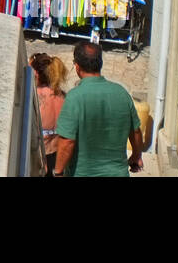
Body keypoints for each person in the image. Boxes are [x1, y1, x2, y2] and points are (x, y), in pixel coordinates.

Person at [53, 41, 144, 177]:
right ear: (100, 64)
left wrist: (58, 172)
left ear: (77, 66)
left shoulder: (74, 98)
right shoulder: (122, 93)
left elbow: (67, 141)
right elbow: (135, 131)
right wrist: (137, 156)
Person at [31, 53, 68, 176]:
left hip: (41, 157)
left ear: (36, 73)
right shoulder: (63, 96)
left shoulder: (35, 97)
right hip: (59, 156)